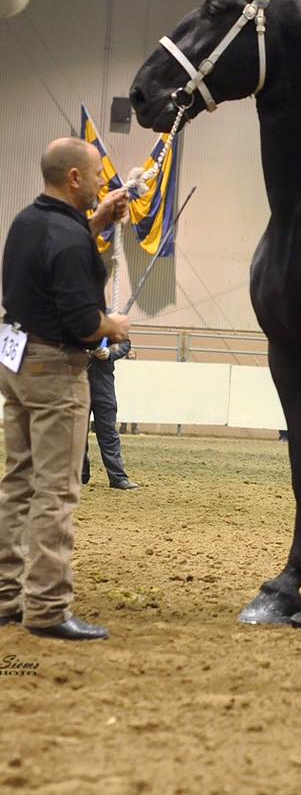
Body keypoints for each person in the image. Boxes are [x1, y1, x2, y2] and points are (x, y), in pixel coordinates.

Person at [0, 137, 130, 641]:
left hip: (16, 361)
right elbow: (82, 322)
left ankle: (7, 595)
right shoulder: (70, 239)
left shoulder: (26, 222)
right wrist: (113, 325)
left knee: (17, 481)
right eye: (98, 174)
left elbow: (54, 258)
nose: (103, 183)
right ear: (74, 178)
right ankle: (49, 607)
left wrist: (96, 222)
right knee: (56, 490)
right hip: (56, 369)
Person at [82, 339, 139, 490]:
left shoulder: (109, 320)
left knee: (108, 433)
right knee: (77, 433)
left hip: (103, 384)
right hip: (77, 381)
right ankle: (79, 474)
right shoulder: (74, 318)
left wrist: (110, 353)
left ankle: (118, 478)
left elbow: (124, 343)